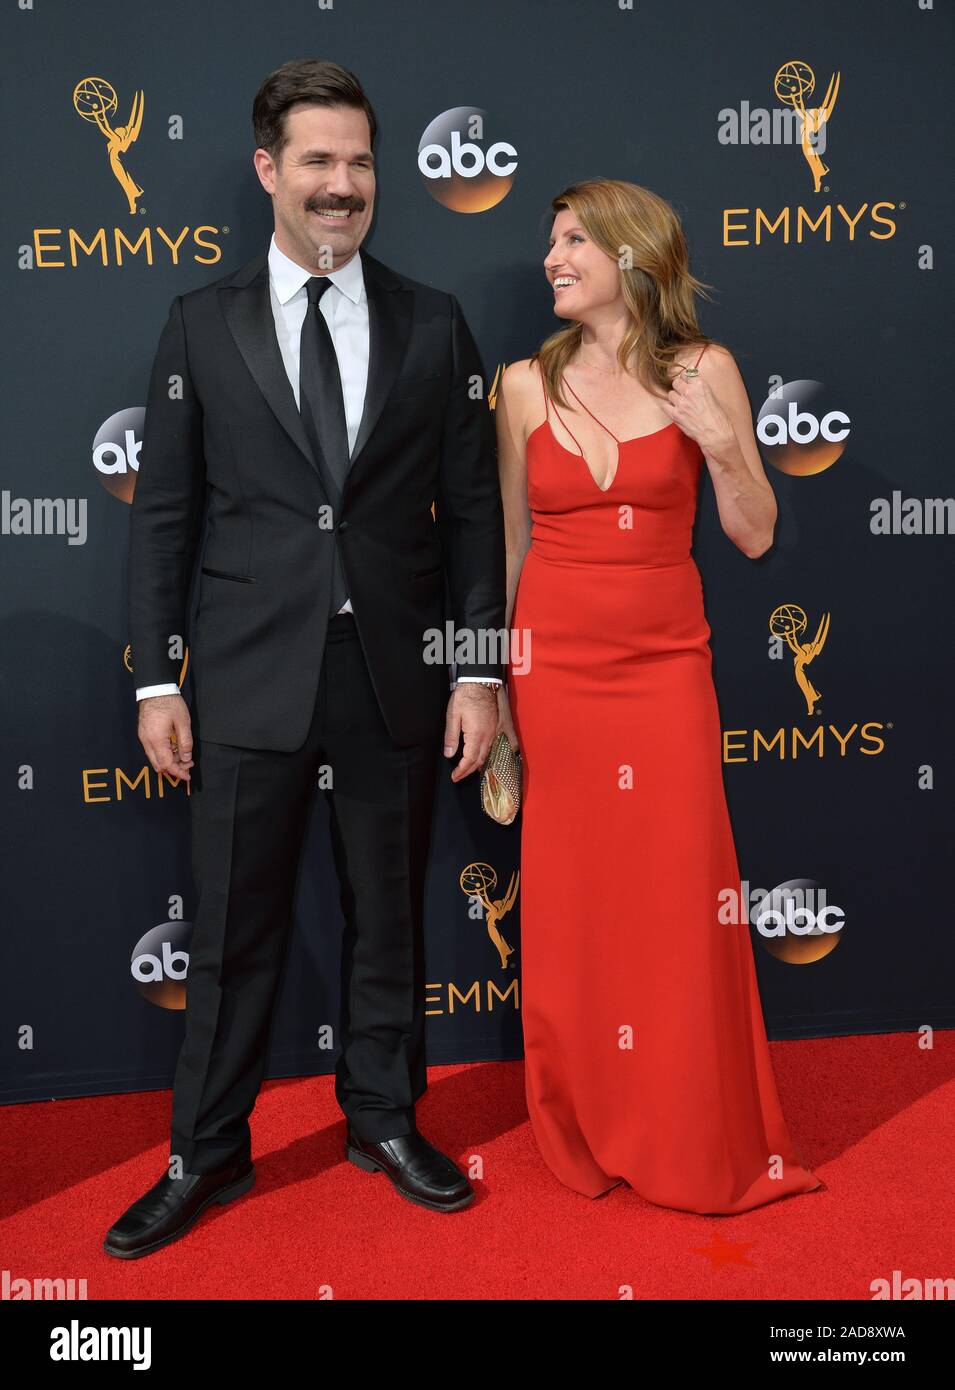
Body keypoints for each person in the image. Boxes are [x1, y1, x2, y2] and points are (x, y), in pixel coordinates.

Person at [105, 59, 505, 1259]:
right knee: (230, 930)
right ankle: (206, 1152)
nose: (344, 186)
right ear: (270, 171)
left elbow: (476, 514)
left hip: (393, 674)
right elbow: (164, 514)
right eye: (319, 162)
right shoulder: (199, 322)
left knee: (390, 918)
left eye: (362, 162)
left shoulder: (434, 322)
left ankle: (384, 1120)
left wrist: (479, 670)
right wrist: (155, 677)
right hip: (240, 677)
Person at [494, 179, 823, 1214]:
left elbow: (755, 532)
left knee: (679, 899)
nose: (552, 256)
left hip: (663, 670)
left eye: (574, 240)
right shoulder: (518, 385)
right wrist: (502, 698)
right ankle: (587, 1122)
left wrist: (721, 440)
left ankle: (684, 1128)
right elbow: (510, 548)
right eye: (550, 240)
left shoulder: (705, 368)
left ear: (634, 256)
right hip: (555, 673)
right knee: (573, 906)